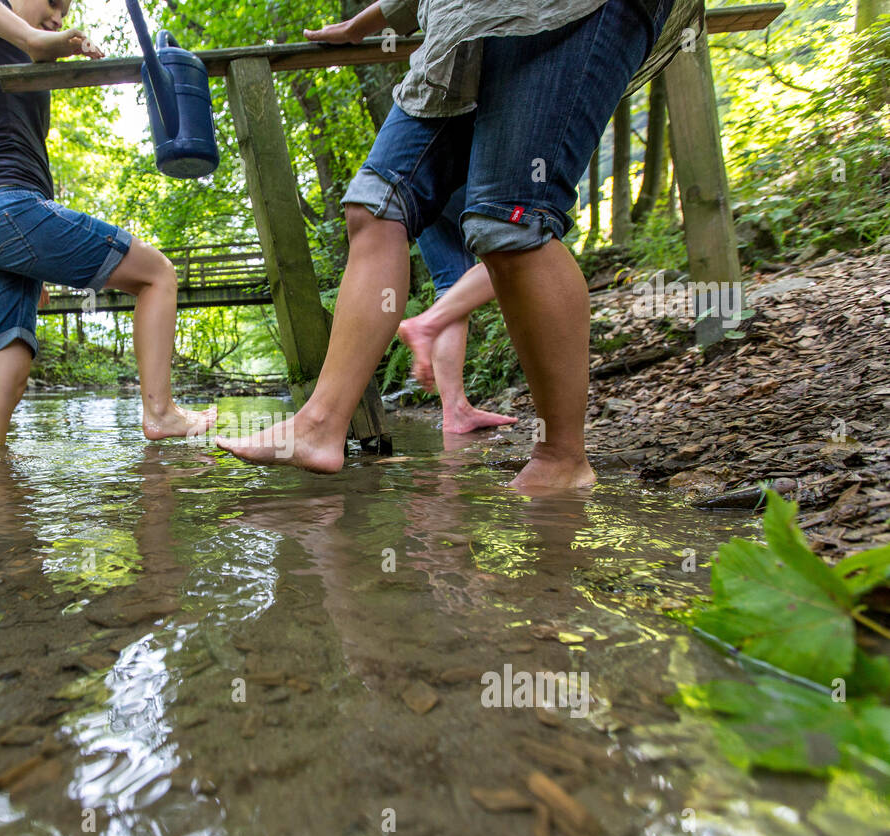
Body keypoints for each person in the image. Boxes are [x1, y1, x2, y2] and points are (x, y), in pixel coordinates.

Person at [219, 0, 691, 489]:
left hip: (561, 13)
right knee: (375, 205)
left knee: (509, 220)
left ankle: (561, 458)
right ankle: (317, 426)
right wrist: (365, 23)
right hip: (456, 32)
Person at [0, 0, 217, 448]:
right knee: (157, 275)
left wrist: (31, 261)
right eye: (53, 2)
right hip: (3, 209)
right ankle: (161, 413)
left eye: (66, 11)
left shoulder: (15, 53)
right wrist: (32, 38)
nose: (59, 17)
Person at [406, 190, 516, 434]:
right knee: (521, 245)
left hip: (426, 190)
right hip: (467, 177)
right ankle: (426, 324)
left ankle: (455, 411)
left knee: (451, 286)